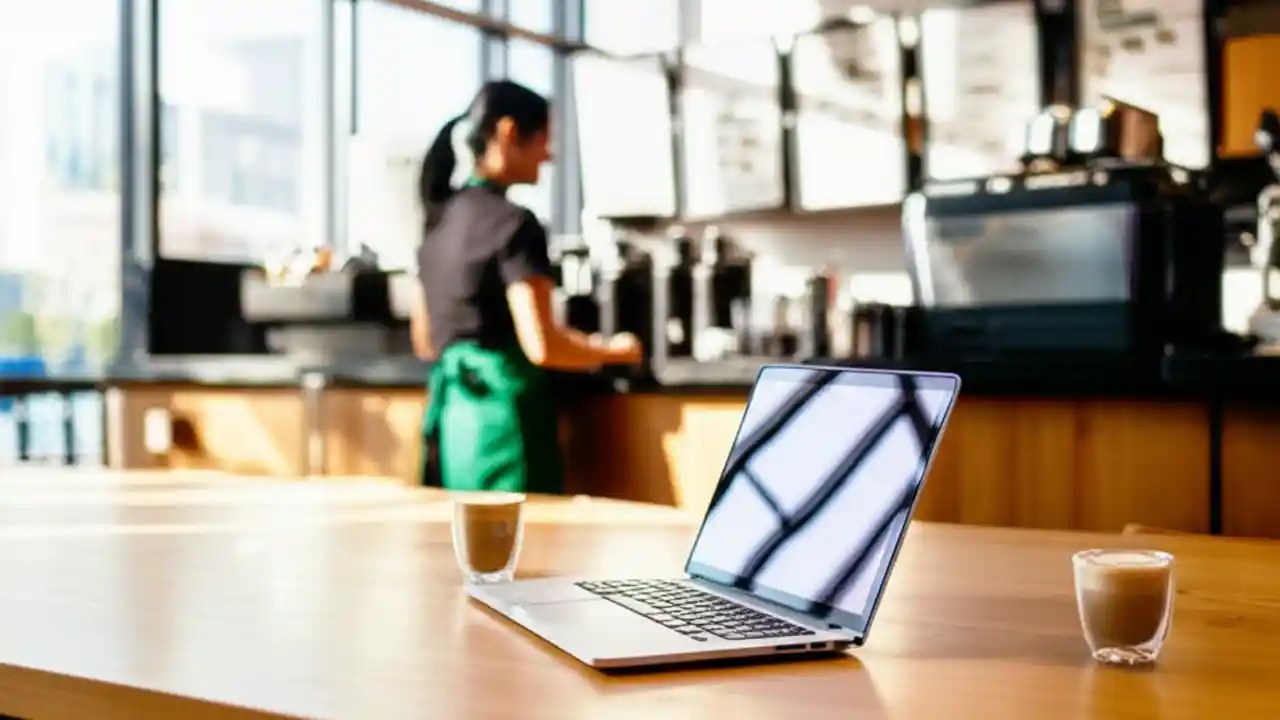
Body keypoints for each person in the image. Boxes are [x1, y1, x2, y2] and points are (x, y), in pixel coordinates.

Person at [411, 80, 641, 493]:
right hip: (506, 424)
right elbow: (543, 345)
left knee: (465, 549)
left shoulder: (437, 220)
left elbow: (426, 341)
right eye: (543, 140)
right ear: (508, 132)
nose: (548, 156)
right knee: (525, 550)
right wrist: (613, 349)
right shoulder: (515, 223)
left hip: (453, 421)